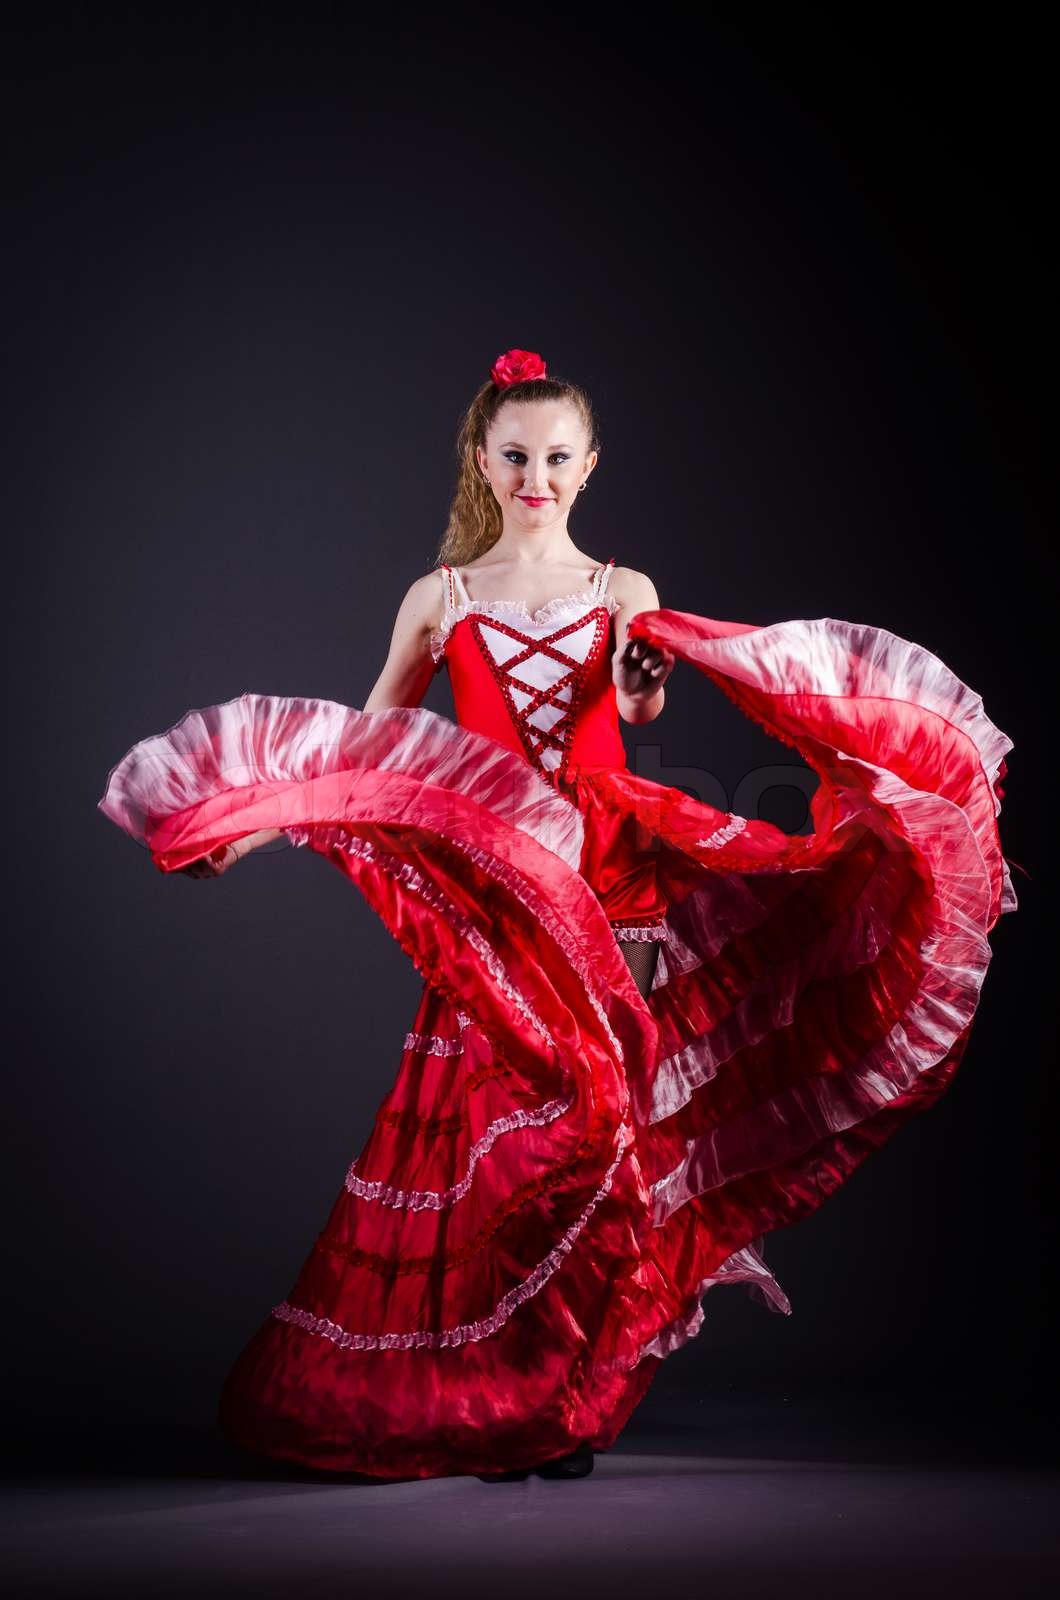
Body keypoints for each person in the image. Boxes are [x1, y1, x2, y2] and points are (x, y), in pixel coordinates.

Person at [98, 346, 1018, 1484]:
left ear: (588, 468)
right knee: (505, 1131)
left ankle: (566, 1391)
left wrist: (641, 685)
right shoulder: (440, 596)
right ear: (485, 460)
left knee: (600, 1124)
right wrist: (245, 828)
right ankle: (496, 1390)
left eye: (557, 457)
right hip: (492, 872)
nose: (536, 474)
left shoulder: (620, 590)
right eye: (517, 455)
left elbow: (632, 704)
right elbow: (367, 747)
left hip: (601, 868)